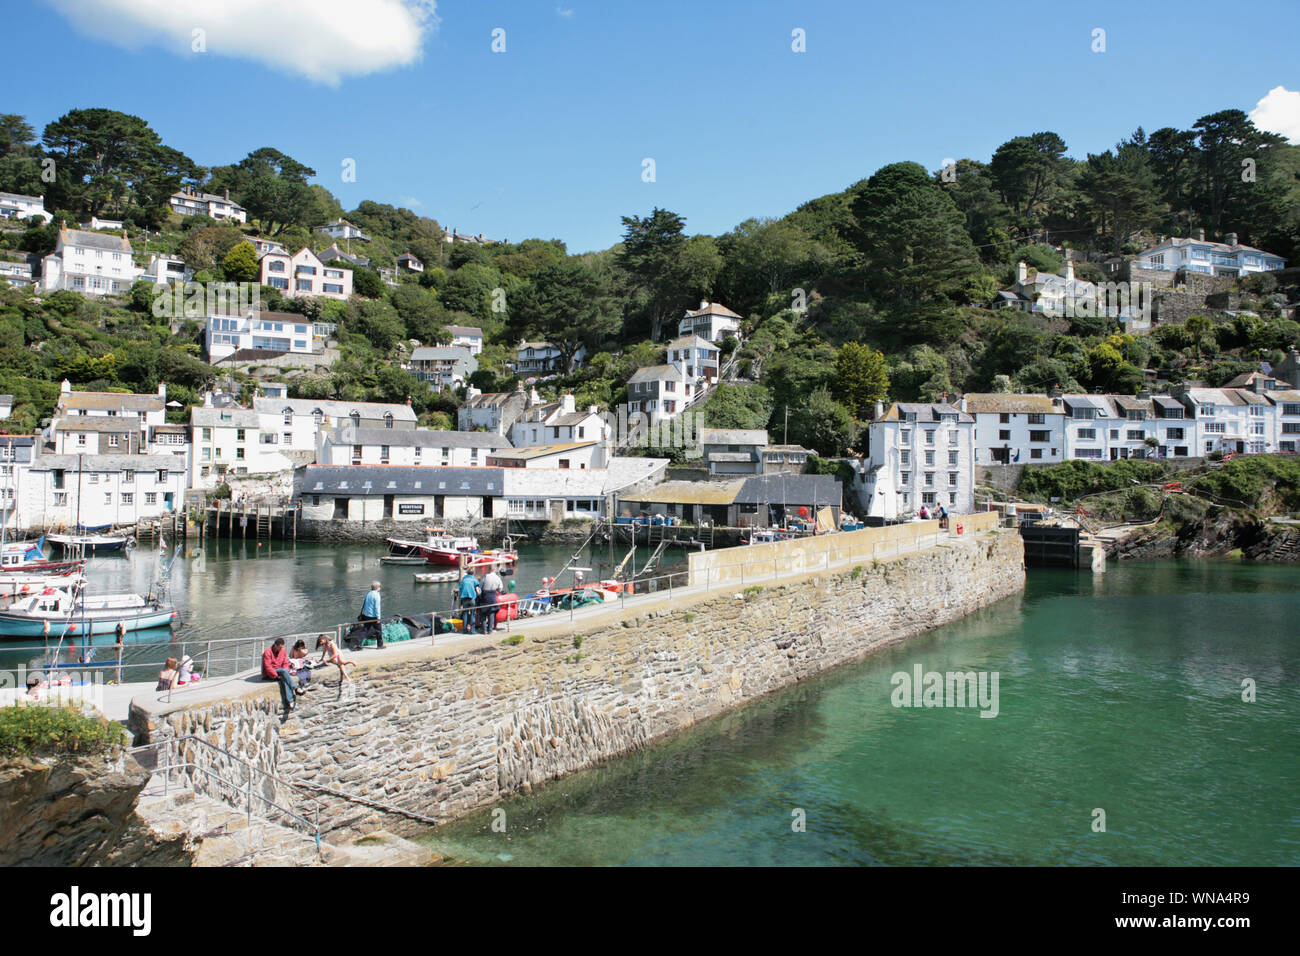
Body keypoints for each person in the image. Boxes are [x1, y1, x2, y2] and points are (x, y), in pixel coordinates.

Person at [261, 637, 299, 711]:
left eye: (282, 647)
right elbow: (268, 667)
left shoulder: (283, 650)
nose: (281, 649)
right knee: (284, 672)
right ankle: (295, 688)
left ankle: (290, 702)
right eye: (280, 647)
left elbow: (285, 662)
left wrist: (285, 670)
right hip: (271, 673)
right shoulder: (268, 652)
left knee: (284, 680)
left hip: (281, 671)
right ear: (276, 645)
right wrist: (275, 676)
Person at [358, 581, 384, 649]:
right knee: (378, 631)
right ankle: (380, 645)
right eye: (380, 586)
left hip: (366, 615)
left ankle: (357, 644)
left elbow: (364, 604)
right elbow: (377, 607)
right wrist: (378, 618)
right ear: (377, 587)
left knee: (365, 630)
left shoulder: (368, 594)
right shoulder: (377, 595)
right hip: (374, 616)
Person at [479, 566, 504, 635]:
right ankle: (490, 630)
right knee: (491, 613)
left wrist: (480, 594)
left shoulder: (485, 576)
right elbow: (500, 588)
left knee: (483, 613)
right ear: (495, 570)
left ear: (489, 569)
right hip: (493, 596)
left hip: (485, 596)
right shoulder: (498, 578)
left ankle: (484, 630)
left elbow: (480, 586)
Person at [458, 569, 481, 633]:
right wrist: (480, 595)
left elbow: (459, 589)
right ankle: (472, 630)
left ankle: (464, 630)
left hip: (464, 599)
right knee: (472, 614)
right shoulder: (474, 580)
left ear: (467, 573)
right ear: (473, 573)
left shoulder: (463, 580)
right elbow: (477, 590)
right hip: (472, 599)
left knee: (465, 614)